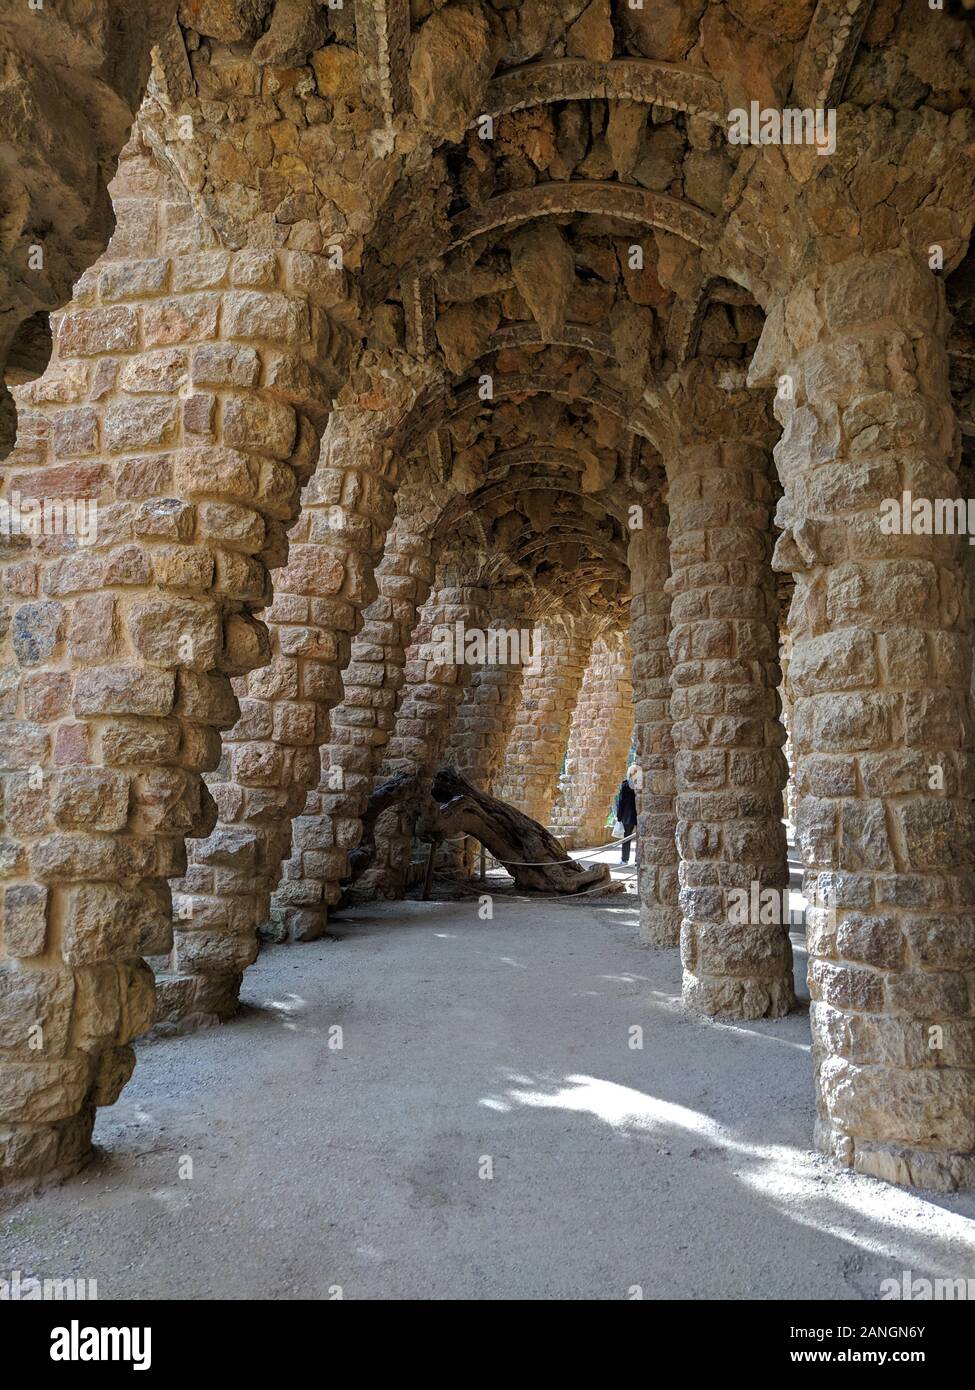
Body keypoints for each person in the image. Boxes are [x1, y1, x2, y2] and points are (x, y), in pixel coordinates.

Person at [615, 769, 638, 864]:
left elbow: (621, 802)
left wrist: (619, 817)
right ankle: (638, 860)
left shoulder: (625, 785)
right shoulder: (641, 785)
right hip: (639, 815)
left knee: (626, 838)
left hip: (628, 816)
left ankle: (624, 859)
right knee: (640, 839)